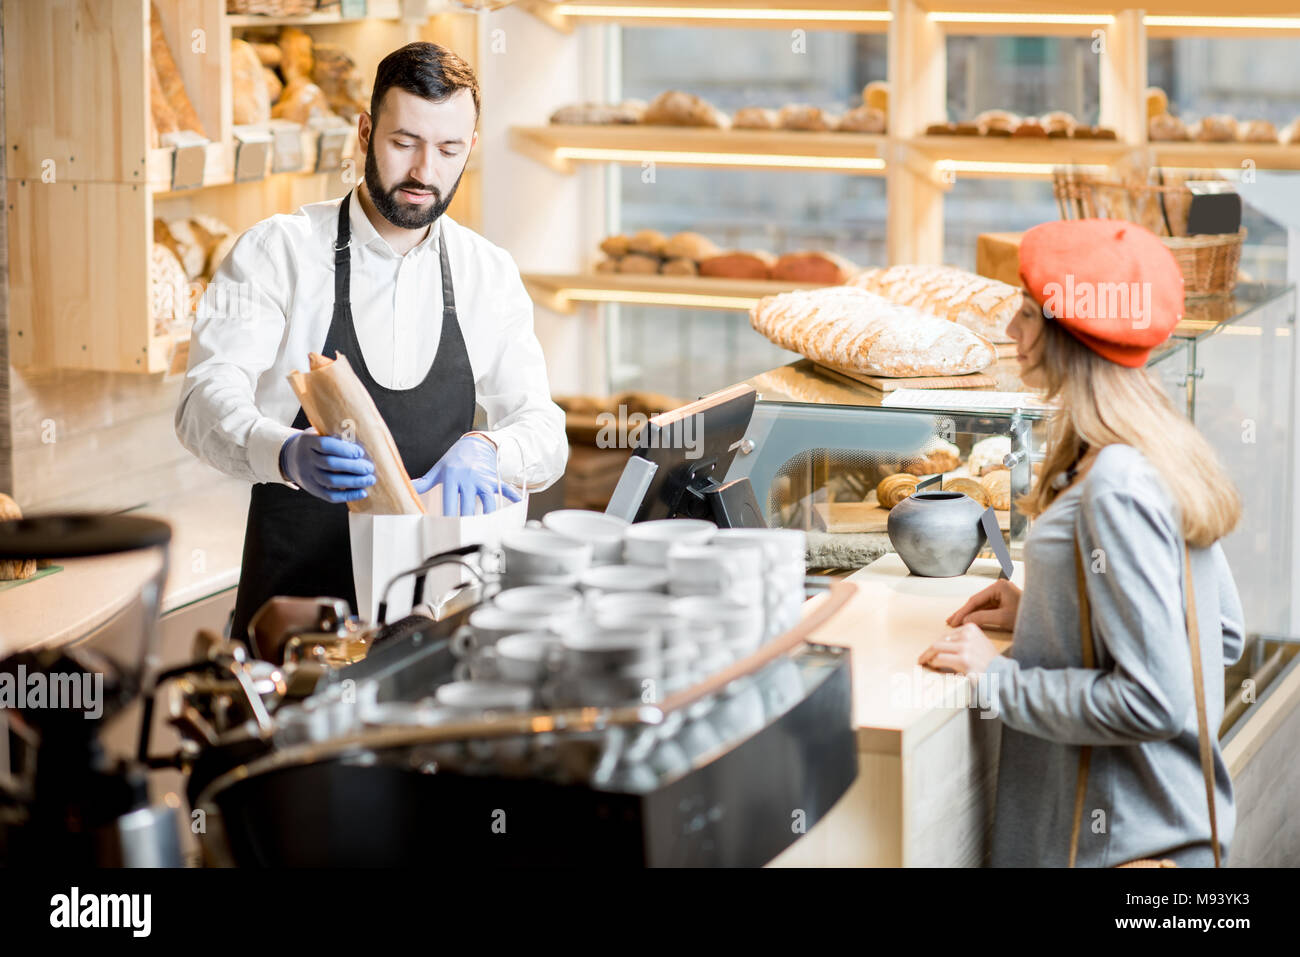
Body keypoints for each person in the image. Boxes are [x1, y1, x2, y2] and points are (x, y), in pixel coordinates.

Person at [176, 43, 567, 640]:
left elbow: (543, 429)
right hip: (293, 619)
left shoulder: (486, 272)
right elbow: (203, 398)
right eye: (403, 142)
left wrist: (490, 448)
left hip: (428, 615)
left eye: (448, 149)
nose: (423, 172)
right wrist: (281, 452)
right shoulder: (278, 252)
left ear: (471, 150)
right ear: (364, 133)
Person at [918, 219, 1245, 867]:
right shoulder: (1158, 442)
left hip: (1118, 852)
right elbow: (1221, 630)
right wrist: (1051, 608)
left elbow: (1153, 699)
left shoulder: (1115, 483)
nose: (1011, 330)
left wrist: (997, 677)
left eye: (1026, 311)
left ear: (1069, 331)